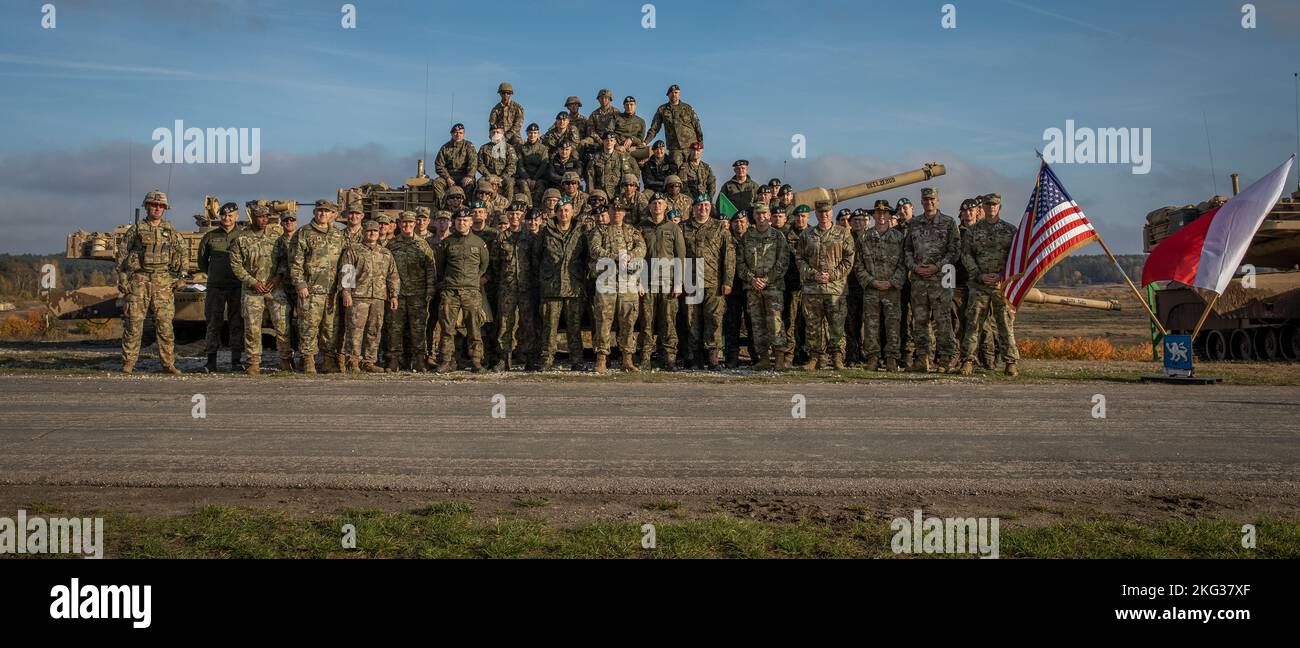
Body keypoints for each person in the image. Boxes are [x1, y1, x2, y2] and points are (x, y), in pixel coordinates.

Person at [117, 190, 187, 374]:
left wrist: (181, 276)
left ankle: (168, 363)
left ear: (164, 209)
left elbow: (182, 252)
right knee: (134, 323)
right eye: (154, 205)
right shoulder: (137, 229)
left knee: (165, 324)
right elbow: (122, 253)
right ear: (147, 206)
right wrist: (123, 277)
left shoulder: (170, 230)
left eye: (160, 206)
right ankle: (129, 363)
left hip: (162, 281)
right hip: (139, 279)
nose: (157, 208)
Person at [960, 193, 1020, 376]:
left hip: (1002, 286)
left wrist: (1003, 276)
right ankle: (968, 361)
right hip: (979, 284)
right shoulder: (973, 231)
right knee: (973, 324)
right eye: (987, 205)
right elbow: (966, 255)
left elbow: (1016, 258)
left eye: (994, 205)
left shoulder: (1010, 230)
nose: (991, 208)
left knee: (1004, 323)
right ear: (982, 208)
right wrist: (978, 275)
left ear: (999, 208)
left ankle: (1010, 362)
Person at [229, 204, 291, 375]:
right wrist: (251, 281)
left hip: (274, 287)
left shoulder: (275, 237)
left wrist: (278, 276)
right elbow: (235, 264)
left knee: (282, 324)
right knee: (252, 327)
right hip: (252, 290)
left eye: (266, 217)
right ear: (252, 216)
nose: (264, 219)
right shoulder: (241, 239)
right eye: (260, 216)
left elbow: (284, 260)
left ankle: (286, 360)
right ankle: (253, 362)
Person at [904, 187, 960, 373]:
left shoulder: (949, 223)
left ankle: (946, 359)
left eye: (932, 199)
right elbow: (907, 250)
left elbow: (954, 251)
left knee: (943, 319)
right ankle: (922, 358)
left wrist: (937, 266)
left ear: (938, 200)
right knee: (920, 321)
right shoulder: (914, 224)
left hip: (941, 279)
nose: (929, 202)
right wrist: (914, 267)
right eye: (926, 199)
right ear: (921, 201)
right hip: (919, 280)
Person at [290, 200, 348, 373]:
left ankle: (328, 361)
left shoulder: (338, 234)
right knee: (309, 326)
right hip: (311, 290)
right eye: (320, 211)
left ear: (332, 215)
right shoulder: (304, 233)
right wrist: (300, 284)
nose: (323, 214)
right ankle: (308, 360)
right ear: (315, 212)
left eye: (327, 211)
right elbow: (295, 262)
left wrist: (346, 287)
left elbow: (347, 263)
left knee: (330, 327)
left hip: (332, 291)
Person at [587, 203, 646, 373]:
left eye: (621, 210)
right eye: (614, 210)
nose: (617, 213)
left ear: (624, 212)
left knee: (628, 319)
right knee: (604, 320)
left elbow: (642, 248)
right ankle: (602, 358)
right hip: (607, 281)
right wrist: (615, 257)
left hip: (627, 281)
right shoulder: (600, 231)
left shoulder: (632, 230)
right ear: (609, 212)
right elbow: (595, 249)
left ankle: (627, 358)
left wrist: (630, 256)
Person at [796, 200, 855, 369]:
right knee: (813, 325)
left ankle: (836, 357)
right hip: (813, 288)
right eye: (821, 212)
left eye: (827, 212)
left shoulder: (843, 234)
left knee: (836, 325)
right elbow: (799, 258)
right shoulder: (807, 235)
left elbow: (849, 259)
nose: (824, 215)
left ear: (831, 212)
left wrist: (832, 275)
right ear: (816, 214)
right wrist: (813, 274)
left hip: (835, 288)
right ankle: (815, 357)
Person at [680, 194, 735, 370]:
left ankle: (712, 357)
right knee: (692, 320)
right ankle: (695, 357)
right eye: (699, 205)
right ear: (693, 208)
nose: (702, 209)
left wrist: (728, 281)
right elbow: (677, 255)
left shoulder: (719, 227)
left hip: (714, 281)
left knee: (713, 319)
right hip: (691, 281)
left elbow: (729, 256)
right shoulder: (683, 227)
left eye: (706, 205)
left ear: (710, 208)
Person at [339, 221, 399, 372]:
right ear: (364, 232)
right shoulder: (353, 250)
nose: (372, 234)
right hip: (359, 296)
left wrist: (393, 295)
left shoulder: (385, 253)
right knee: (355, 330)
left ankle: (369, 361)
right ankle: (352, 361)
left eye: (375, 231)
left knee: (374, 330)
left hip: (378, 297)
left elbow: (392, 276)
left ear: (379, 233)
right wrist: (346, 292)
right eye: (369, 231)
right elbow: (347, 272)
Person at [635, 193, 686, 370]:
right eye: (654, 203)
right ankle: (645, 357)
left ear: (665, 207)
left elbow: (680, 256)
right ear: (649, 207)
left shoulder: (673, 228)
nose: (657, 206)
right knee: (646, 321)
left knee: (668, 321)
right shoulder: (641, 228)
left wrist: (679, 282)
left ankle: (669, 357)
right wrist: (637, 281)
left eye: (660, 203)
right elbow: (637, 256)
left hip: (668, 282)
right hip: (647, 281)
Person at [737, 202, 790, 370]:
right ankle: (764, 358)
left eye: (764, 213)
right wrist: (752, 279)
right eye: (757, 214)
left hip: (773, 287)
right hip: (753, 288)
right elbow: (739, 263)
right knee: (757, 324)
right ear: (754, 216)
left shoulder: (777, 236)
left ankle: (779, 358)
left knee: (775, 322)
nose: (761, 217)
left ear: (769, 215)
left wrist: (766, 279)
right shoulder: (747, 237)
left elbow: (783, 262)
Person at [535, 200, 586, 371]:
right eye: (561, 210)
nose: (564, 214)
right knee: (549, 327)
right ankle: (547, 359)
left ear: (572, 212)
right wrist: (545, 277)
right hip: (552, 287)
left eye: (567, 210)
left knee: (574, 325)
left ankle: (577, 360)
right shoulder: (546, 231)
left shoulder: (580, 231)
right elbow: (536, 257)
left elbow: (586, 258)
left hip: (573, 285)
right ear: (555, 213)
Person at [435, 210, 490, 372]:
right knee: (447, 328)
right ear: (454, 222)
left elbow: (484, 265)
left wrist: (474, 279)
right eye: (459, 220)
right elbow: (441, 266)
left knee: (474, 328)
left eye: (465, 220)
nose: (462, 223)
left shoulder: (479, 243)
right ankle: (446, 360)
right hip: (451, 291)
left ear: (471, 222)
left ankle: (476, 360)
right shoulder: (447, 242)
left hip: (471, 291)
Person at [856, 200, 907, 372]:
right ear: (874, 215)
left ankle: (892, 358)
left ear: (890, 215)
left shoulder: (899, 237)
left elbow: (904, 263)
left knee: (893, 324)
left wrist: (892, 282)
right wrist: (871, 281)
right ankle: (873, 358)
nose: (882, 215)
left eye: (885, 212)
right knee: (871, 324)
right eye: (878, 212)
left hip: (892, 288)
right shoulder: (864, 237)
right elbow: (858, 264)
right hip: (872, 287)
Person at [385, 212, 437, 372]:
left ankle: (420, 360)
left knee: (418, 328)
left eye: (410, 223)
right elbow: (386, 270)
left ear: (415, 224)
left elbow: (430, 268)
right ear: (399, 224)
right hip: (397, 294)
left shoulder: (422, 245)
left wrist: (430, 289)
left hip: (418, 293)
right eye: (404, 223)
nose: (407, 226)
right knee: (395, 328)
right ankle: (393, 360)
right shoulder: (392, 245)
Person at [197, 201, 244, 372]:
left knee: (237, 323)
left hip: (237, 286)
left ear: (236, 216)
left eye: (230, 215)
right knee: (213, 323)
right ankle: (211, 361)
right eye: (223, 215)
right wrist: (214, 274)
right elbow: (202, 262)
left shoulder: (243, 236)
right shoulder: (210, 236)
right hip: (216, 287)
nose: (226, 218)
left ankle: (236, 361)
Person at [494, 201, 536, 371]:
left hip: (526, 287)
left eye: (517, 214)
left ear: (522, 216)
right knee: (505, 323)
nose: (514, 217)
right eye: (511, 214)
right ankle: (504, 357)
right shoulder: (501, 237)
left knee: (528, 323)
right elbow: (495, 263)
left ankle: (528, 357)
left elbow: (535, 261)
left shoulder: (531, 237)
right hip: (507, 287)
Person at [646, 84, 704, 166]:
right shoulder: (662, 109)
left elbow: (697, 126)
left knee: (693, 169)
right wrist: (645, 142)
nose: (674, 94)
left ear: (679, 94)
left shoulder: (688, 108)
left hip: (691, 146)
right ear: (668, 95)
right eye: (672, 93)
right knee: (676, 171)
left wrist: (700, 144)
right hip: (675, 149)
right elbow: (654, 128)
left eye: (676, 92)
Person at [433, 123, 477, 205]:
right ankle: (443, 207)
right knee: (437, 182)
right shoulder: (445, 148)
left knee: (470, 184)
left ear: (463, 134)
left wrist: (469, 176)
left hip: (464, 176)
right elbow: (439, 165)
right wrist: (447, 178)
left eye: (461, 133)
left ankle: (467, 208)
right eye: (456, 132)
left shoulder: (469, 146)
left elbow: (473, 163)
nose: (458, 135)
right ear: (452, 134)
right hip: (449, 176)